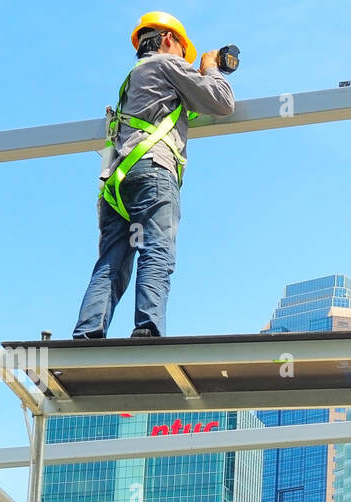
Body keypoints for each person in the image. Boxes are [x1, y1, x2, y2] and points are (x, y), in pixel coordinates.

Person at [72, 12, 235, 339]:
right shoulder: (166, 65)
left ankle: (87, 333)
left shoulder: (133, 80)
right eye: (181, 49)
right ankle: (147, 329)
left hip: (117, 185)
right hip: (152, 172)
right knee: (156, 250)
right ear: (166, 39)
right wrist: (211, 67)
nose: (182, 58)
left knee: (112, 263)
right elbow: (221, 101)